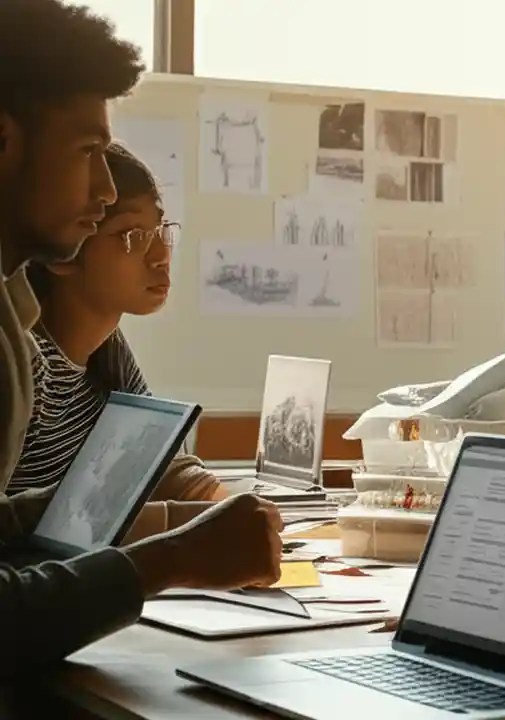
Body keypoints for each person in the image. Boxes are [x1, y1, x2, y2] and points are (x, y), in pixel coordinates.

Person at [0, 0, 282, 677]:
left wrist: (113, 514)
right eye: (87, 152)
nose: (102, 188)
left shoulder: (12, 310)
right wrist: (174, 557)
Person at [12, 142, 227, 541]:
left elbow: (157, 465)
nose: (161, 254)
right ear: (64, 251)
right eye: (132, 235)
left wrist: (230, 507)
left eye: (161, 229)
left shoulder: (107, 348)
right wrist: (184, 523)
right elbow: (29, 529)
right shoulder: (26, 365)